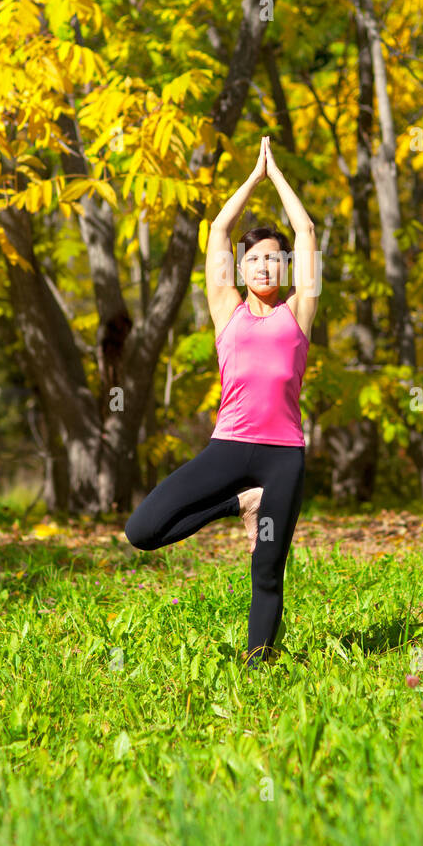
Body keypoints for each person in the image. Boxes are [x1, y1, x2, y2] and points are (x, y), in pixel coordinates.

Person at [124, 136, 320, 667]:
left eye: (274, 260)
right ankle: (239, 503)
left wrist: (278, 177)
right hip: (228, 448)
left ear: (285, 269)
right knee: (142, 530)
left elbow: (306, 232)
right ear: (240, 270)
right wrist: (251, 178)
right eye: (254, 259)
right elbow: (216, 232)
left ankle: (258, 666)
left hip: (282, 455)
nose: (263, 266)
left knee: (268, 569)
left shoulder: (298, 312)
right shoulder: (226, 310)